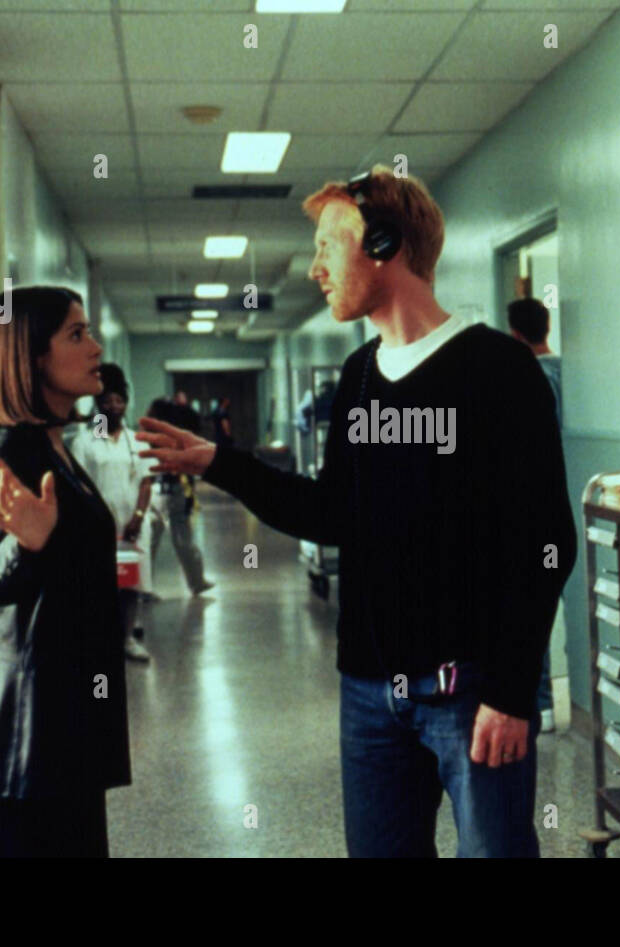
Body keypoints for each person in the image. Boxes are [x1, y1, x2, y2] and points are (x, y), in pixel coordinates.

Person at [137, 164, 576, 857]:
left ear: (383, 244)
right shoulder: (358, 378)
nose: (314, 267)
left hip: (471, 691)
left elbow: (546, 540)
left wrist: (515, 690)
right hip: (371, 694)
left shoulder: (497, 370)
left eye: (324, 246)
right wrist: (217, 461)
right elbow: (333, 512)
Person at [0, 286, 131, 857]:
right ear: (32, 356)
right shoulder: (12, 452)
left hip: (61, 721)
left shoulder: (55, 445)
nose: (95, 347)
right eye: (76, 334)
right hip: (27, 733)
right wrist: (26, 544)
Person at [68, 362, 157, 662]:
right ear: (98, 404)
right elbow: (80, 486)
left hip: (132, 525)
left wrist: (139, 517)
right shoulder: (85, 441)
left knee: (132, 584)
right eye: (107, 401)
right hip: (99, 528)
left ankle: (128, 639)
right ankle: (104, 641)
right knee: (102, 584)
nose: (114, 406)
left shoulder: (136, 440)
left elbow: (146, 481)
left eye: (119, 400)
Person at [508, 296, 564, 733]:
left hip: (535, 506)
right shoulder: (570, 373)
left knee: (534, 604)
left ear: (515, 334)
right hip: (575, 501)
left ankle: (542, 702)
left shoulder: (524, 380)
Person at [147, 396, 214, 596]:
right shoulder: (174, 438)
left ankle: (144, 588)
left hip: (158, 491)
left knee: (151, 541)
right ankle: (196, 581)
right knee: (181, 538)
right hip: (171, 490)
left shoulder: (150, 437)